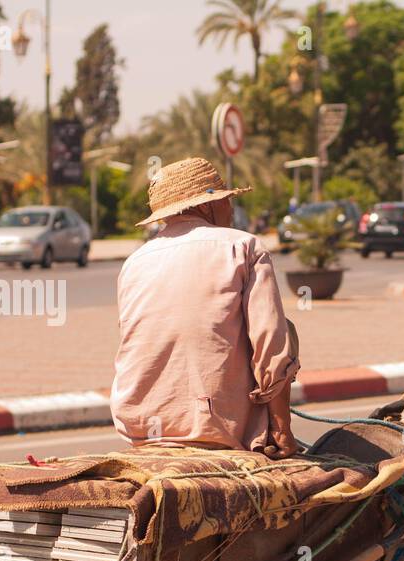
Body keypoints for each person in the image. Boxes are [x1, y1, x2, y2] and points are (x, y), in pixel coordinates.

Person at [112, 156, 299, 459]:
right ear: (206, 205)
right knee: (286, 330)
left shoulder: (135, 261)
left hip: (140, 427)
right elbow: (270, 346)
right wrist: (282, 430)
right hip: (217, 429)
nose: (231, 208)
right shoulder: (244, 247)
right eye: (226, 200)